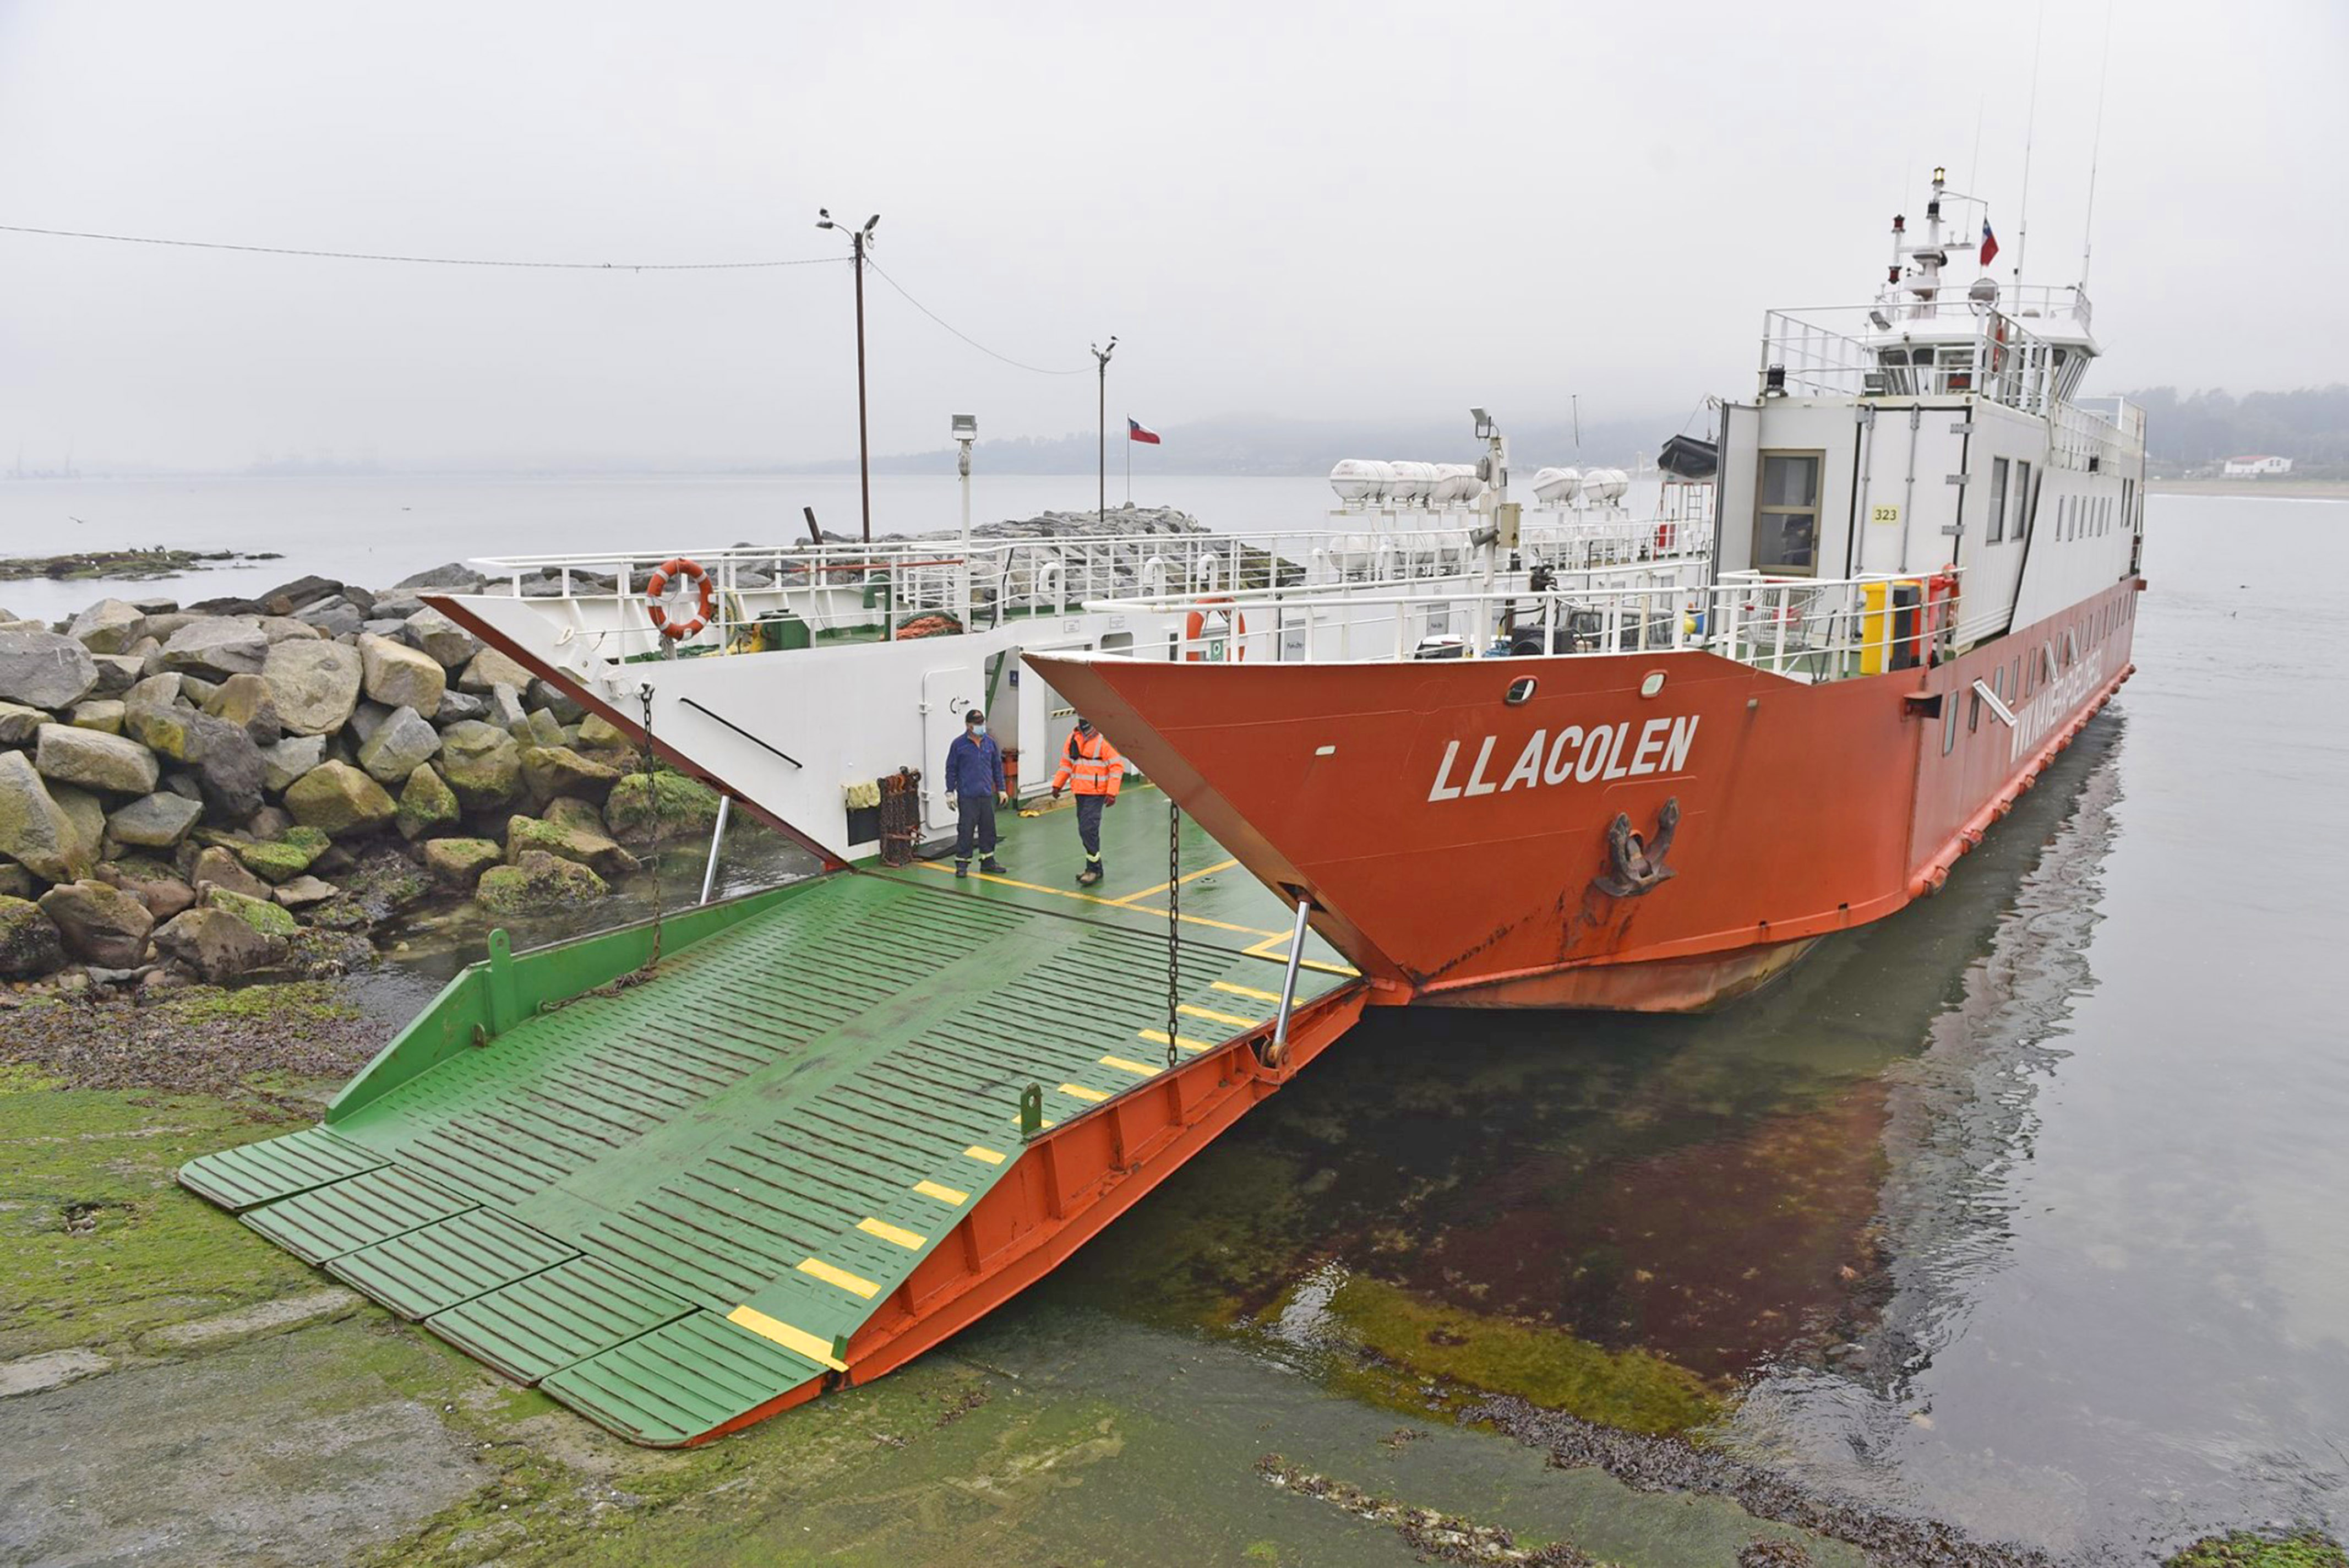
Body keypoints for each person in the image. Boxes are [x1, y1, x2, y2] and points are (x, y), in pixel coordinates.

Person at [1050, 716, 1123, 886]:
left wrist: (1112, 792)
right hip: (1080, 791)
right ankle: (1095, 867)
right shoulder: (1073, 738)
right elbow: (1066, 764)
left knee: (1088, 829)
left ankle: (1093, 869)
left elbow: (1116, 766)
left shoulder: (1103, 741)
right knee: (1085, 830)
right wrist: (1057, 785)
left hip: (1096, 793)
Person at [944, 707, 1009, 878]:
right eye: (977, 724)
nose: (981, 726)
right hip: (968, 796)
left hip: (986, 794)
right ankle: (962, 864)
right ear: (968, 725)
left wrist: (1001, 789)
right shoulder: (959, 745)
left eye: (982, 723)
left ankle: (988, 861)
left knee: (988, 830)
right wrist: (950, 791)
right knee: (966, 830)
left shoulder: (990, 743)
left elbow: (997, 767)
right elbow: (951, 769)